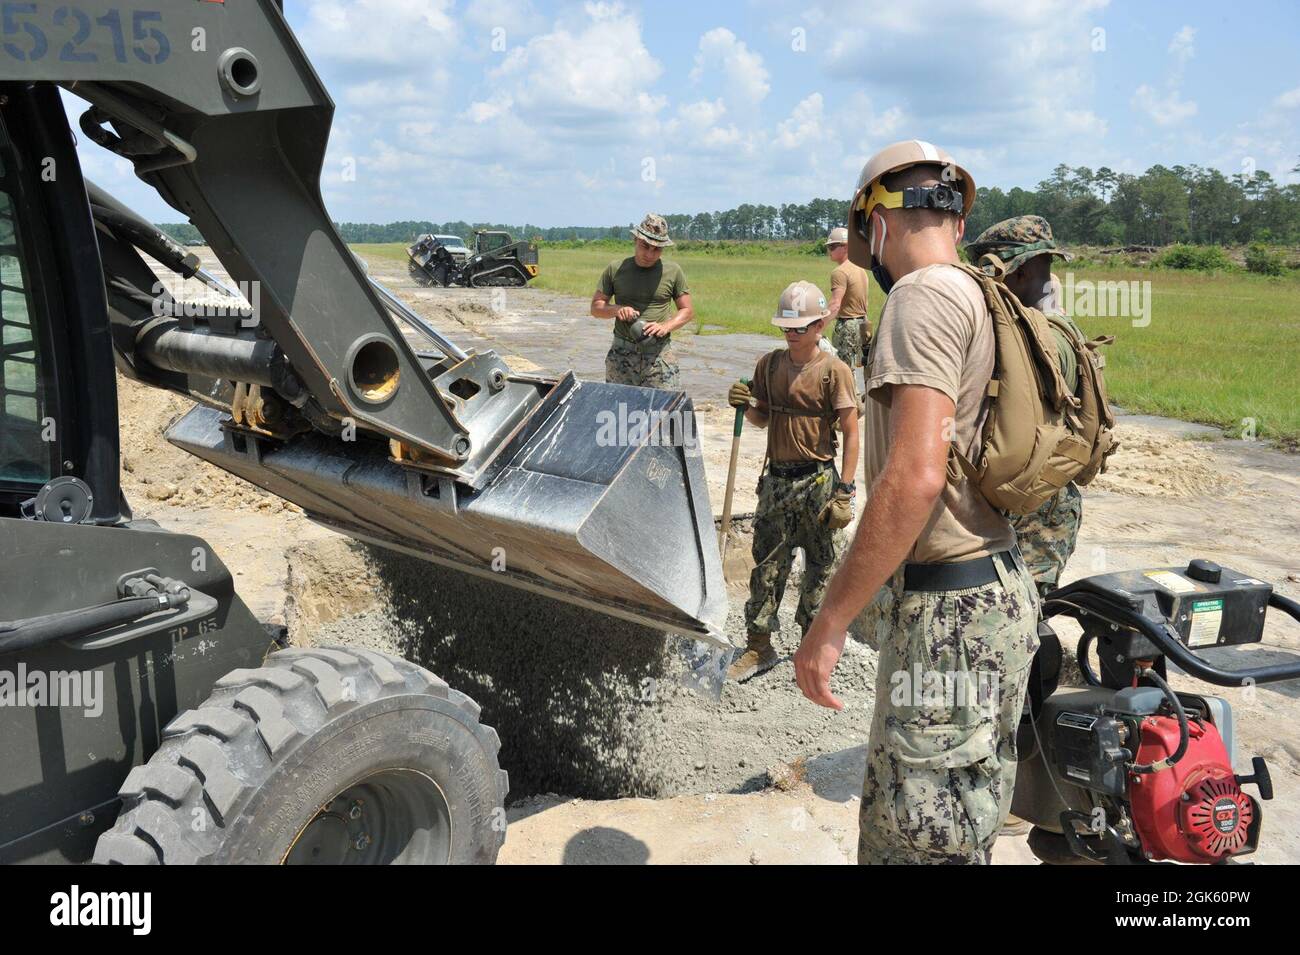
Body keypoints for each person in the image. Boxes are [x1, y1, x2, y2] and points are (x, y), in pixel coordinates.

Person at [792, 140, 1039, 864]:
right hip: (994, 593)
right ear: (959, 222)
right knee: (960, 829)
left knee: (916, 844)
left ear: (875, 226)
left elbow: (914, 477)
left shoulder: (921, 296)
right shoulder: (980, 293)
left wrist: (830, 620)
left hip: (949, 615)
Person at [725, 281, 859, 682]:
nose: (792, 334)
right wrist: (746, 406)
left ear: (820, 326)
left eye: (800, 327)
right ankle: (758, 646)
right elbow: (763, 417)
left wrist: (846, 491)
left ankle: (813, 649)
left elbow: (851, 432)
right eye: (787, 328)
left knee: (821, 570)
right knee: (767, 567)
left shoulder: (834, 371)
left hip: (819, 482)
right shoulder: (769, 365)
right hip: (778, 482)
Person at [966, 215, 1082, 600]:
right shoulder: (1053, 328)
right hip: (1033, 497)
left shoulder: (1034, 340)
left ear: (1018, 271)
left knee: (1025, 616)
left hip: (1034, 508)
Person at [590, 213, 694, 388]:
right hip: (622, 357)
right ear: (635, 239)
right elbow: (596, 307)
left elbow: (687, 311)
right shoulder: (616, 269)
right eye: (645, 246)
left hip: (659, 358)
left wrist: (666, 326)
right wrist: (617, 310)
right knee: (618, 412)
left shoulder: (673, 271)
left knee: (664, 413)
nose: (650, 254)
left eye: (657, 249)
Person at [825, 226, 872, 372]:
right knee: (863, 366)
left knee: (842, 370)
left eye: (833, 246)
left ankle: (848, 395)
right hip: (863, 324)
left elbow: (835, 304)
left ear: (845, 247)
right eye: (829, 247)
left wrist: (819, 325)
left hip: (847, 326)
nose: (829, 250)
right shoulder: (860, 269)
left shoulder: (839, 272)